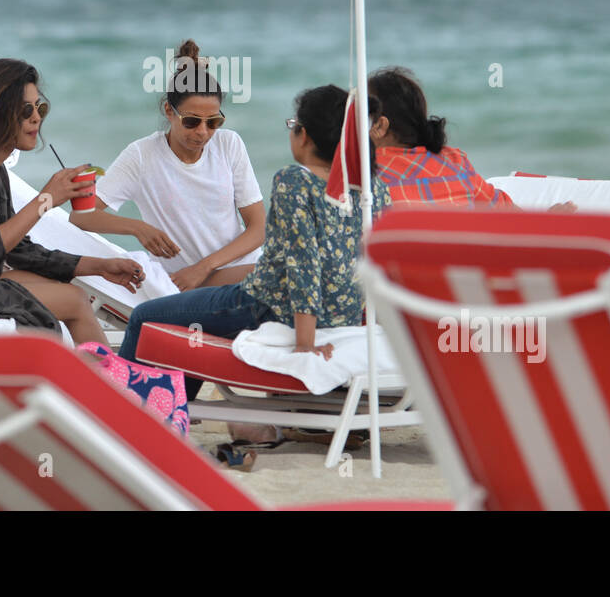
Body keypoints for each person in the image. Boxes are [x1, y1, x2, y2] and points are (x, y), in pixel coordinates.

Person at [118, 84, 390, 401]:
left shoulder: (296, 181)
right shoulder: (372, 187)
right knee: (192, 319)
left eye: (293, 126)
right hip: (341, 314)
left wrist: (305, 345)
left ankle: (119, 413)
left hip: (262, 305)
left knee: (144, 317)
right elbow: (377, 264)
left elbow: (303, 266)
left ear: (304, 135)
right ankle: (175, 405)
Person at [0, 59, 145, 345]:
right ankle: (106, 382)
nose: (37, 118)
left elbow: (18, 249)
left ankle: (103, 379)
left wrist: (99, 266)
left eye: (40, 107)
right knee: (73, 300)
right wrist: (45, 200)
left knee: (72, 296)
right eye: (26, 110)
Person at [70, 40, 265, 291]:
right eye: (192, 121)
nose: (203, 132)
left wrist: (202, 268)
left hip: (238, 270)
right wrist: (138, 228)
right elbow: (81, 216)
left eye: (213, 122)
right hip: (186, 285)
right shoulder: (142, 156)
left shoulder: (230, 144)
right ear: (168, 111)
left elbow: (258, 229)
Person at [368, 66, 575, 212]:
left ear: (380, 125)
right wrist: (549, 222)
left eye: (355, 116)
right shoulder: (454, 161)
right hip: (466, 268)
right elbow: (508, 216)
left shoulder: (364, 172)